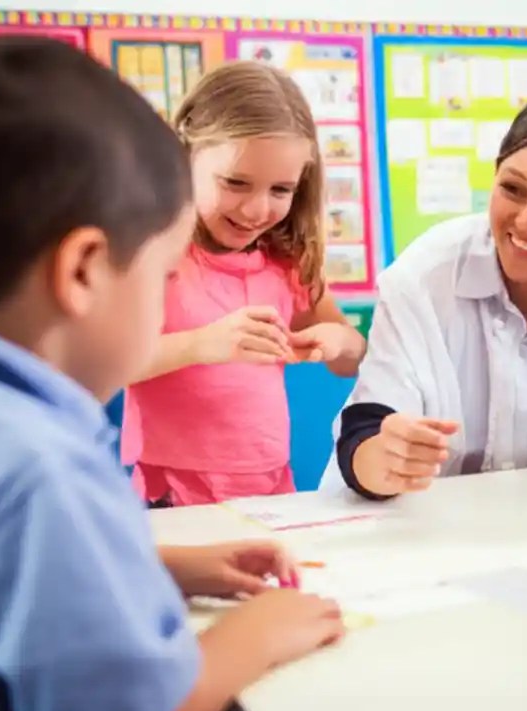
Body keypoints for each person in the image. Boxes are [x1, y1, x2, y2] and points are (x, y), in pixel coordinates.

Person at [0, 38, 343, 711]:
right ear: (83, 271)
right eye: (159, 273)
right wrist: (252, 639)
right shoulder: (38, 468)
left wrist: (165, 566)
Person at [324, 90, 527, 499]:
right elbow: (367, 429)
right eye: (513, 189)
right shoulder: (425, 277)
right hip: (409, 530)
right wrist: (387, 459)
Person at [122, 61, 367, 507]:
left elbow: (352, 359)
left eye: (280, 190)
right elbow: (111, 363)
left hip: (271, 485)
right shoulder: (154, 254)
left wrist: (341, 342)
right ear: (184, 154)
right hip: (172, 492)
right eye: (235, 183)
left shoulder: (287, 262)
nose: (257, 210)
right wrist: (201, 344)